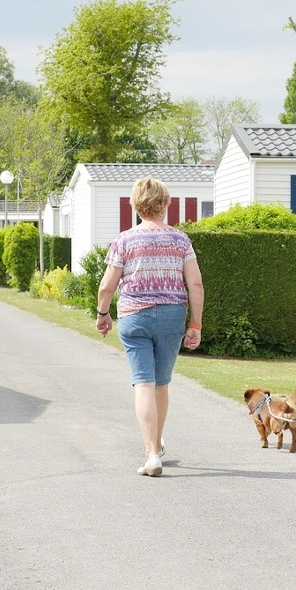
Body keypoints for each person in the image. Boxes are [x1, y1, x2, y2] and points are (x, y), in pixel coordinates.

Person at [96, 177, 204, 477]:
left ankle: (152, 453)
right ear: (165, 204)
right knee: (161, 383)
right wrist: (195, 323)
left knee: (142, 383)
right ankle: (155, 445)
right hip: (171, 316)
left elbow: (107, 286)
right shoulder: (181, 240)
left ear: (135, 205)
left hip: (134, 317)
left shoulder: (125, 240)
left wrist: (103, 313)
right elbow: (195, 283)